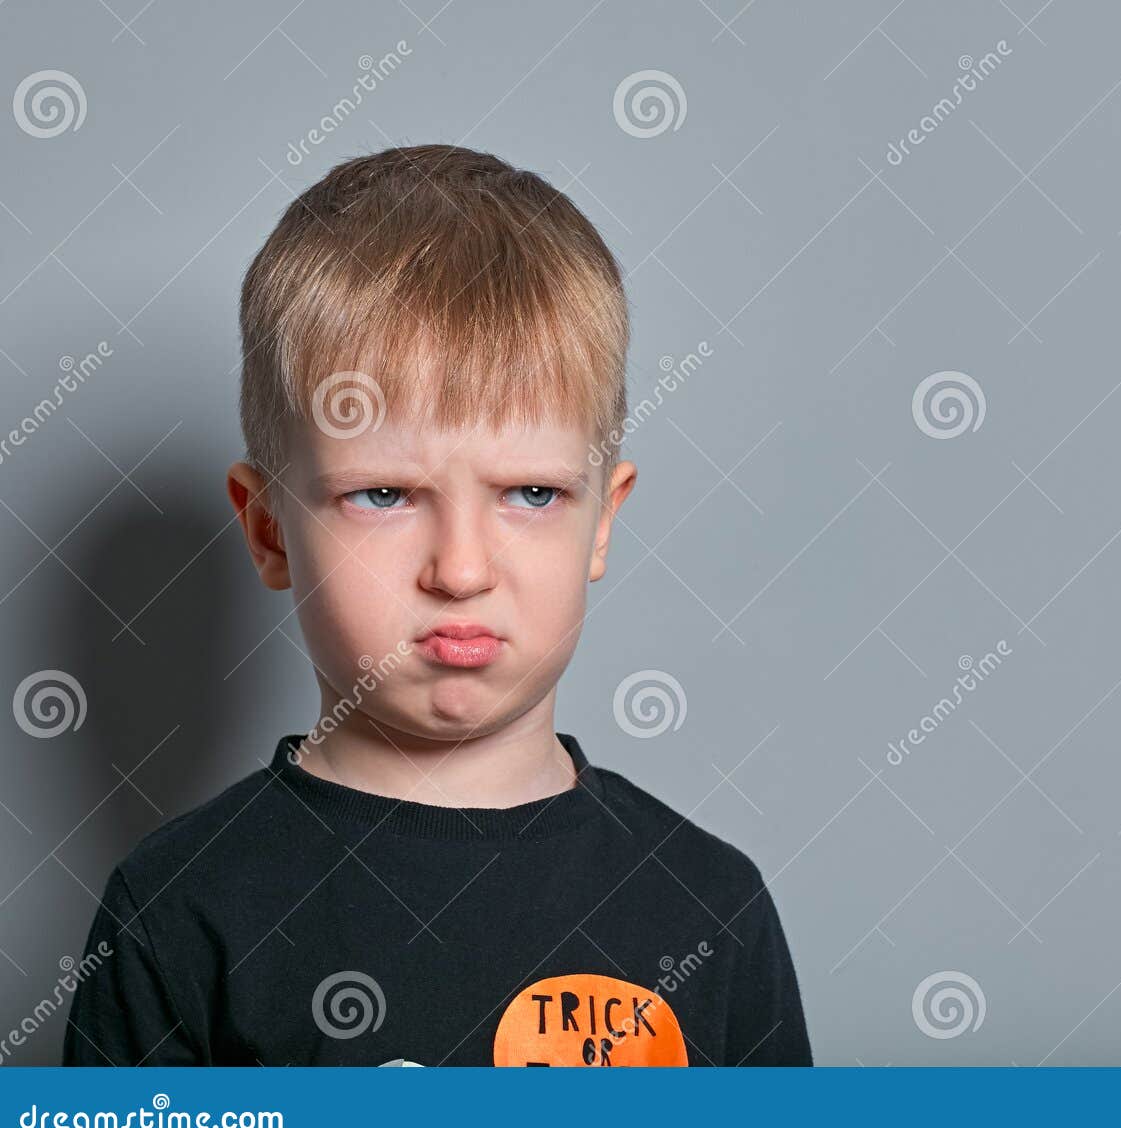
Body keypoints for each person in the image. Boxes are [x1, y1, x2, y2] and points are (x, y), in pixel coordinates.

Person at [62, 145, 810, 1067]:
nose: (460, 570)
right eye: (383, 495)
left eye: (532, 494)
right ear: (268, 531)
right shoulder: (178, 909)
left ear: (602, 523)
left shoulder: (709, 907)